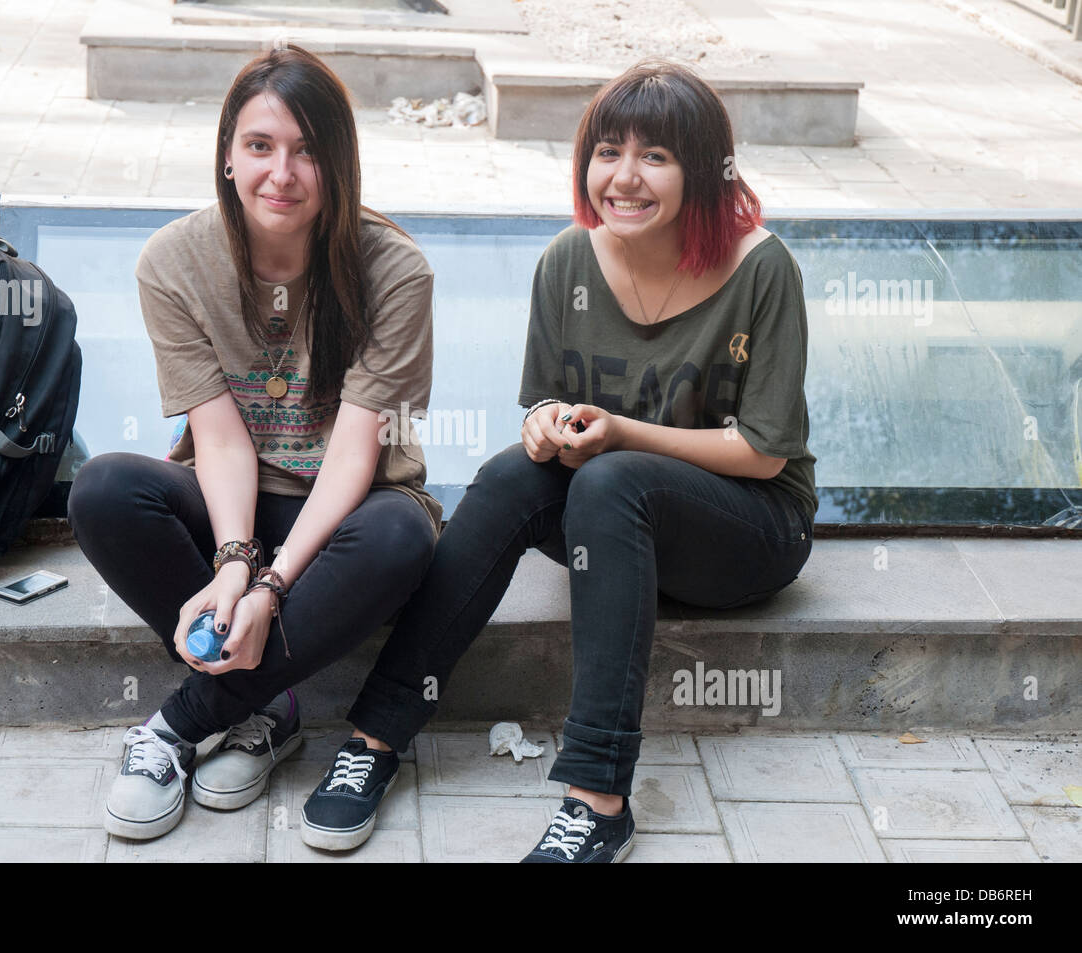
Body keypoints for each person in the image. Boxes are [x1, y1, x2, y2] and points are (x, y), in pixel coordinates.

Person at [300, 61, 817, 862]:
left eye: (656, 157)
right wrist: (546, 424)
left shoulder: (760, 269)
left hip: (747, 530)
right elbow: (542, 399)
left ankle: (597, 797)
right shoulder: (568, 262)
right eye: (608, 151)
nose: (625, 177)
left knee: (612, 477)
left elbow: (761, 451)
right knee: (512, 471)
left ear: (705, 170)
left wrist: (618, 434)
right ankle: (374, 736)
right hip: (616, 519)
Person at [67, 44, 440, 840]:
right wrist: (235, 562)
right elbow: (222, 441)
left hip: (349, 513)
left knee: (404, 532)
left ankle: (178, 724)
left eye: (309, 150)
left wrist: (269, 592)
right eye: (261, 146)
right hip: (230, 502)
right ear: (227, 158)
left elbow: (351, 456)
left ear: (339, 164)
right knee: (101, 488)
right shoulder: (173, 262)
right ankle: (269, 707)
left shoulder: (395, 271)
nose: (283, 172)